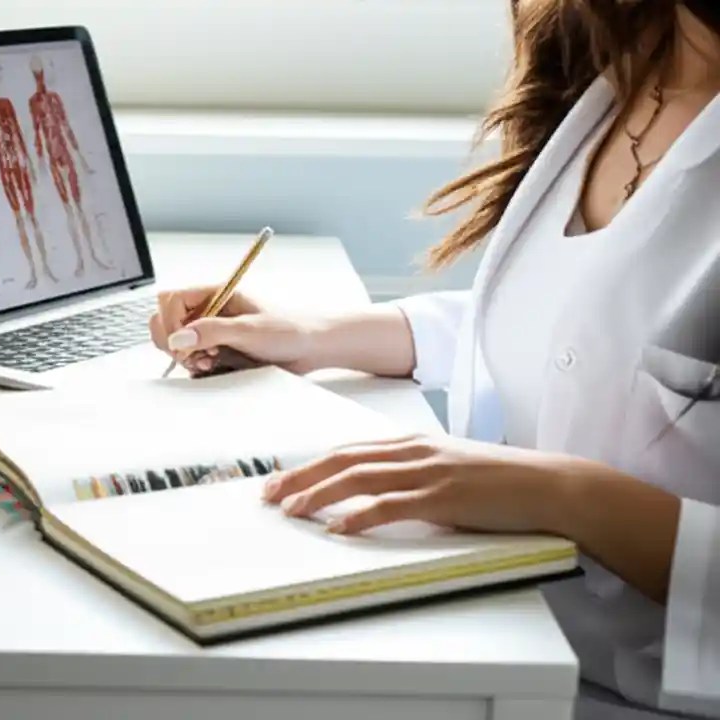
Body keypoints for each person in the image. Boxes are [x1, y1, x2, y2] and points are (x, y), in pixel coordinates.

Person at [149, 2, 719, 719]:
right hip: (499, 628)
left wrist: (570, 497)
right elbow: (587, 333)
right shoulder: (625, 60)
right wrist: (316, 335)